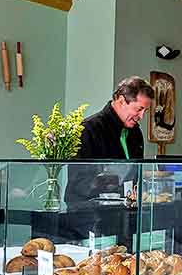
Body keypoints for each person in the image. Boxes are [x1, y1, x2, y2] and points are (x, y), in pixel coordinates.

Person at [65, 76, 154, 208]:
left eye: (145, 111)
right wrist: (104, 183)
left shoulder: (136, 133)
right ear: (122, 101)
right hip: (90, 216)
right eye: (139, 109)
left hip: (125, 215)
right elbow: (79, 184)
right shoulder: (88, 129)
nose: (141, 117)